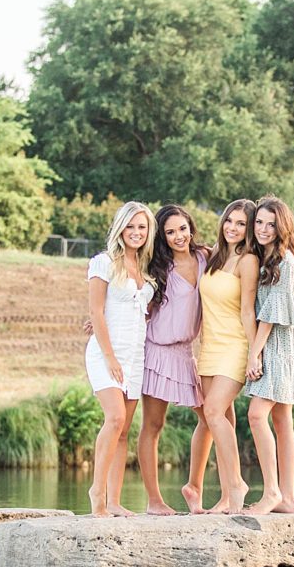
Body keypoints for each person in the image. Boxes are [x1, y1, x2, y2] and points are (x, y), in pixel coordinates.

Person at [186, 199, 258, 514]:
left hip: (235, 345)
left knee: (213, 411)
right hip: (209, 347)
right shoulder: (213, 255)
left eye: (241, 223)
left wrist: (254, 353)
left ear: (249, 228)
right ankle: (227, 497)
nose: (233, 227)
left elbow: (247, 311)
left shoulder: (248, 261)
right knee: (221, 418)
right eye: (229, 220)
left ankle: (237, 484)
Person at [84, 201, 155, 517]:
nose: (136, 232)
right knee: (114, 418)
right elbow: (96, 311)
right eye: (130, 226)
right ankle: (97, 492)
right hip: (106, 353)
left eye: (142, 227)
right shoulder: (103, 263)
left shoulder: (146, 267)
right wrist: (110, 357)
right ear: (120, 228)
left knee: (124, 430)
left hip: (135, 355)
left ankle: (114, 500)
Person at [136, 205, 209, 516]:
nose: (179, 236)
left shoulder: (205, 257)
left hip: (186, 353)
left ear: (191, 228)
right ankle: (154, 500)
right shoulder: (156, 267)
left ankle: (194, 487)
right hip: (157, 351)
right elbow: (132, 299)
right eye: (170, 232)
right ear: (162, 237)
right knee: (153, 424)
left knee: (210, 418)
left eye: (182, 229)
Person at [242, 196, 294, 515]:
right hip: (275, 345)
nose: (263, 229)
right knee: (282, 420)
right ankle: (287, 498)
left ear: (282, 228)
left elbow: (270, 316)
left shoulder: (285, 262)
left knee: (257, 415)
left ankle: (272, 492)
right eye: (259, 222)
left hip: (280, 348)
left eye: (271, 224)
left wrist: (254, 354)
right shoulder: (264, 257)